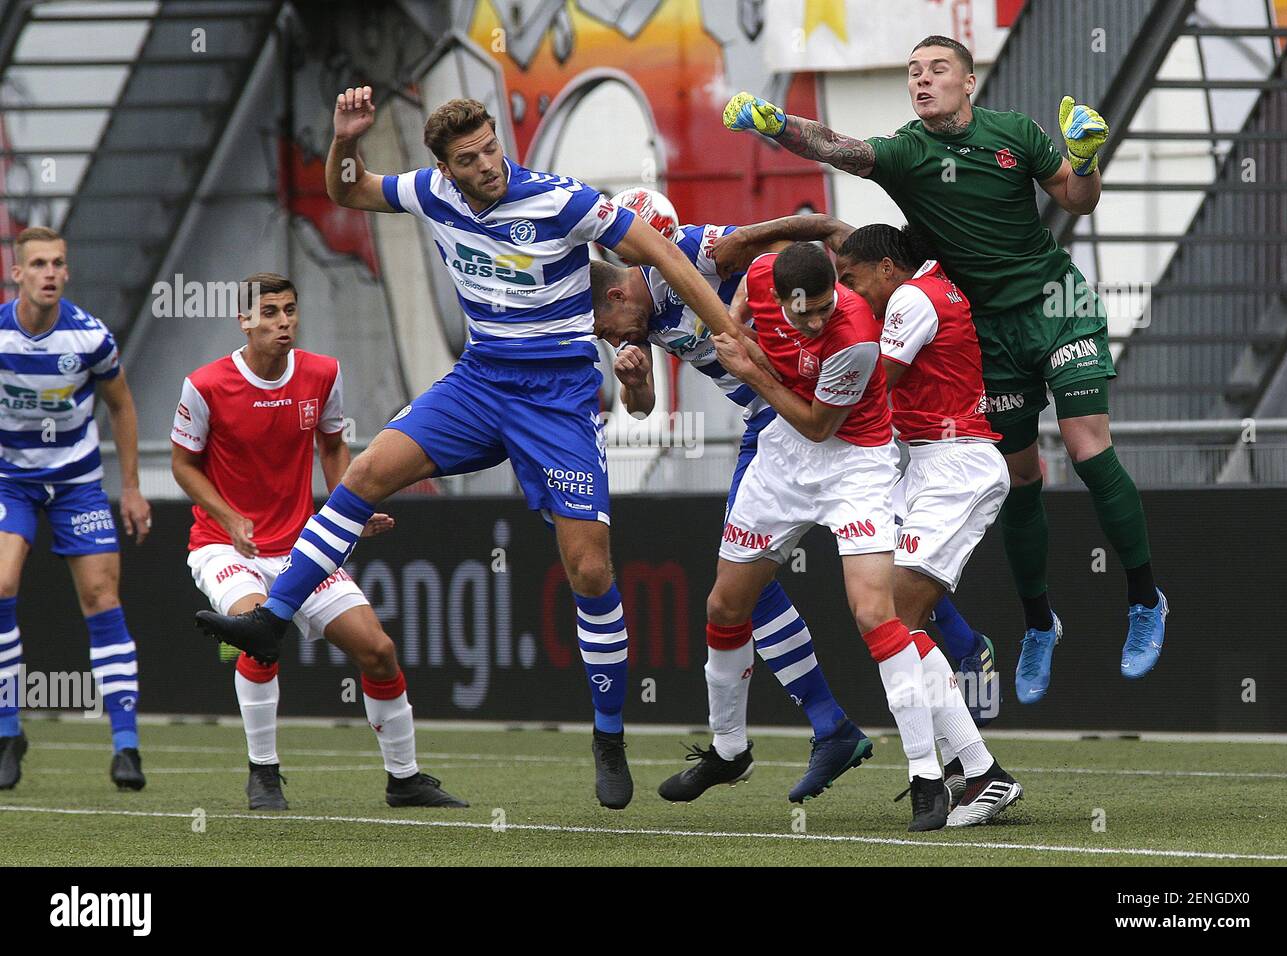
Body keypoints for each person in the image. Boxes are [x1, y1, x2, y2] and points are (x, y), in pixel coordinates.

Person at [193, 91, 746, 811]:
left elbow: (664, 253)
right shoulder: (430, 193)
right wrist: (343, 139)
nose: (488, 165)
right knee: (363, 473)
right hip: (481, 382)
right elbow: (346, 188)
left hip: (556, 398)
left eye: (492, 149)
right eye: (469, 159)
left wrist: (724, 332)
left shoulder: (560, 201)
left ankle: (608, 736)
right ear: (445, 171)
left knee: (588, 570)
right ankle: (270, 621)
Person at [720, 35, 1170, 705]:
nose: (922, 80)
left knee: (1086, 446)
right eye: (912, 72)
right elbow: (836, 145)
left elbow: (1078, 201)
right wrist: (778, 126)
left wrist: (1084, 158)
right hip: (988, 327)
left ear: (967, 82)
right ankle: (1040, 624)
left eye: (936, 70)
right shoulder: (907, 151)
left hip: (1054, 301)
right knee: (1021, 477)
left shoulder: (1014, 133)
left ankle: (1143, 599)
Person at [590, 207, 873, 804]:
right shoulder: (643, 321)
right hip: (769, 422)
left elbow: (757, 238)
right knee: (735, 593)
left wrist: (828, 232)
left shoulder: (686, 254)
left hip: (805, 414)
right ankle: (810, 730)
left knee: (886, 592)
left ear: (618, 292)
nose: (613, 339)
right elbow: (640, 410)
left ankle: (946, 679)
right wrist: (634, 380)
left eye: (608, 329)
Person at [172, 272, 465, 811]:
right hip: (224, 546)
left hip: (302, 547)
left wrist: (346, 509)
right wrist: (230, 517)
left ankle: (404, 779)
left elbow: (334, 448)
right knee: (260, 633)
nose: (283, 321)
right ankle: (263, 773)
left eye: (289, 309)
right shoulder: (206, 385)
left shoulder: (321, 374)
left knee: (378, 651)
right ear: (244, 320)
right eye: (270, 312)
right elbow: (183, 466)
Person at [670, 241, 933, 831]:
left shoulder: (855, 334)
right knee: (725, 603)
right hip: (781, 462)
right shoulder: (763, 275)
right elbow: (743, 292)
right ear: (779, 294)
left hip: (852, 461)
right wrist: (737, 322)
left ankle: (924, 773)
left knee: (873, 612)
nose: (815, 321)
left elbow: (817, 425)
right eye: (802, 312)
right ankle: (729, 749)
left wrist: (750, 368)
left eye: (823, 307)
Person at [833, 222, 1020, 825]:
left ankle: (961, 773)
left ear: (886, 269)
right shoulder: (929, 288)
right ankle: (978, 770)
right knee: (891, 619)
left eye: (850, 279)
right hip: (931, 465)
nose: (847, 293)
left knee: (890, 618)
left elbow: (872, 386)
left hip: (956, 466)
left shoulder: (913, 297)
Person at [0, 226, 150, 791]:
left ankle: (126, 746)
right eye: (37, 263)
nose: (49, 273)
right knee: (1, 586)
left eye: (58, 263)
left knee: (102, 599)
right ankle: (7, 730)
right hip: (11, 480)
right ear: (17, 273)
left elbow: (122, 404)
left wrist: (131, 487)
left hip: (78, 482)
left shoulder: (90, 338)